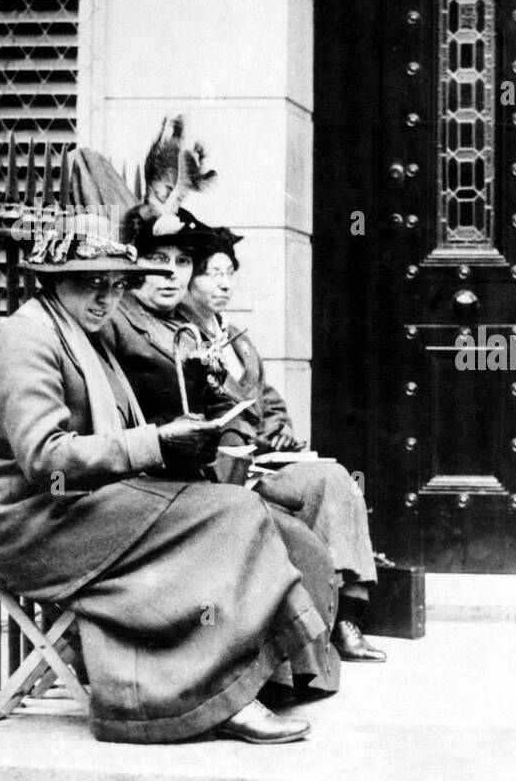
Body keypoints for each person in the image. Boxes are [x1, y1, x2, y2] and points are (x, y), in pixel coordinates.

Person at [0, 213, 328, 744]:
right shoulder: (24, 341)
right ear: (53, 280)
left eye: (116, 285)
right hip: (39, 527)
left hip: (86, 509)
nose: (106, 299)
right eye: (90, 284)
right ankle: (213, 697)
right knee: (229, 515)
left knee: (232, 507)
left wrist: (186, 437)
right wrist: (158, 442)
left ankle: (252, 679)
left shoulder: (79, 333)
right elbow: (45, 457)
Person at [99, 120, 343, 692]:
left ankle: (286, 674)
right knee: (268, 530)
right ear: (130, 266)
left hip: (207, 467)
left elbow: (239, 396)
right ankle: (247, 680)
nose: (168, 274)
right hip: (152, 477)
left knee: (301, 532)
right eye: (155, 262)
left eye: (181, 264)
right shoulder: (116, 323)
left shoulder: (178, 326)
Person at [178, 219, 387, 662]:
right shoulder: (182, 339)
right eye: (212, 274)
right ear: (188, 277)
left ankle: (348, 613)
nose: (224, 284)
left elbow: (266, 397)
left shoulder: (235, 338)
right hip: (222, 476)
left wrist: (280, 428)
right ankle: (319, 623)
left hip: (261, 462)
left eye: (229, 273)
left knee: (335, 479)